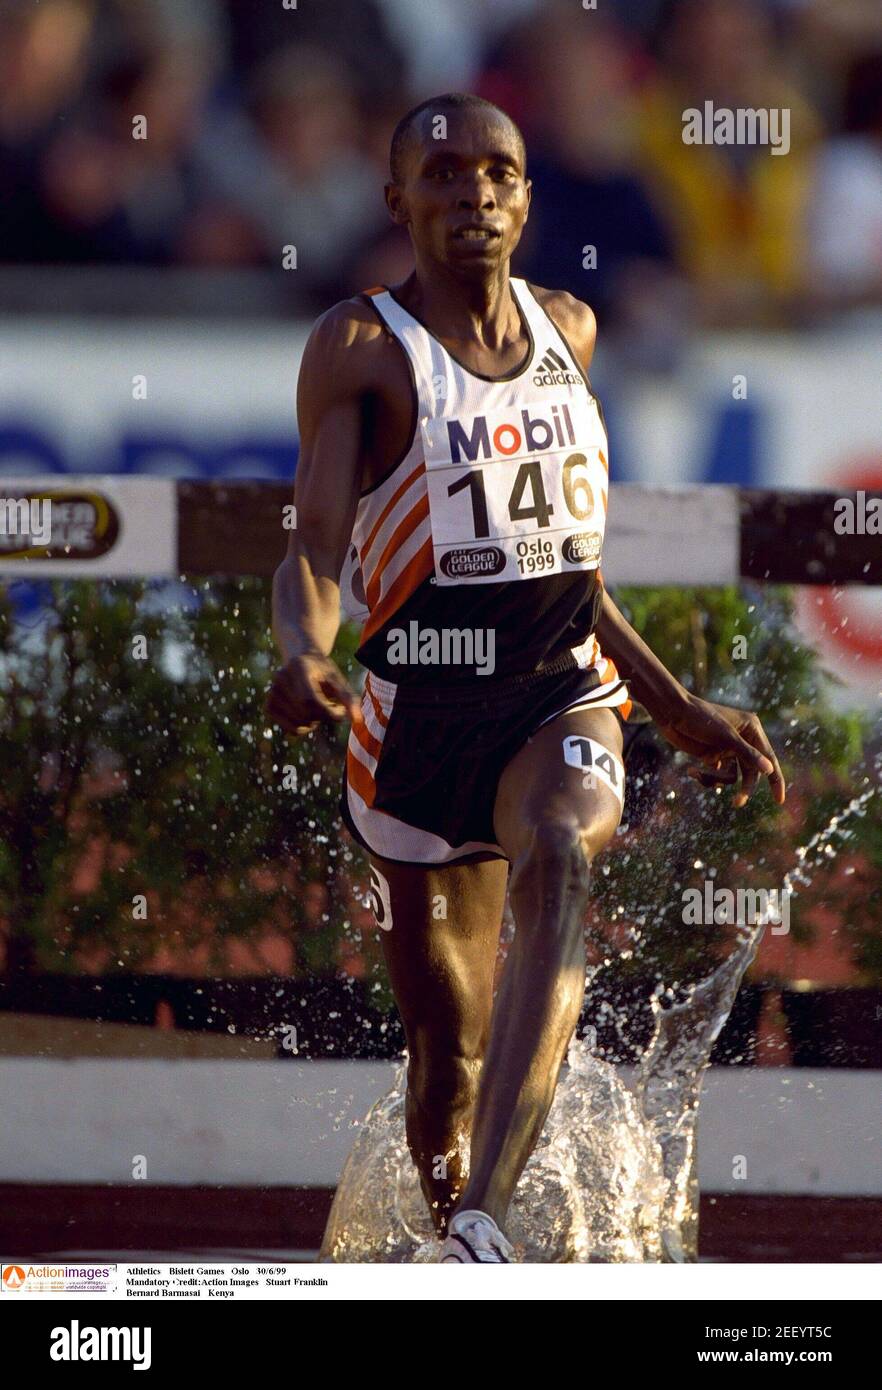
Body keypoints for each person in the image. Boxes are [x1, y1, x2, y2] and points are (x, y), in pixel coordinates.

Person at [268, 93, 785, 1263]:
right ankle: (455, 1234)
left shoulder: (572, 330)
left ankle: (486, 1222)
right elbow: (314, 546)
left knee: (559, 847)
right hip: (415, 720)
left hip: (557, 692)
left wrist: (672, 704)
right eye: (444, 173)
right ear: (397, 200)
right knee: (443, 1057)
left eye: (498, 172)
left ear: (528, 197)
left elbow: (568, 566)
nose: (476, 194)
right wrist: (303, 650)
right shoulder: (361, 348)